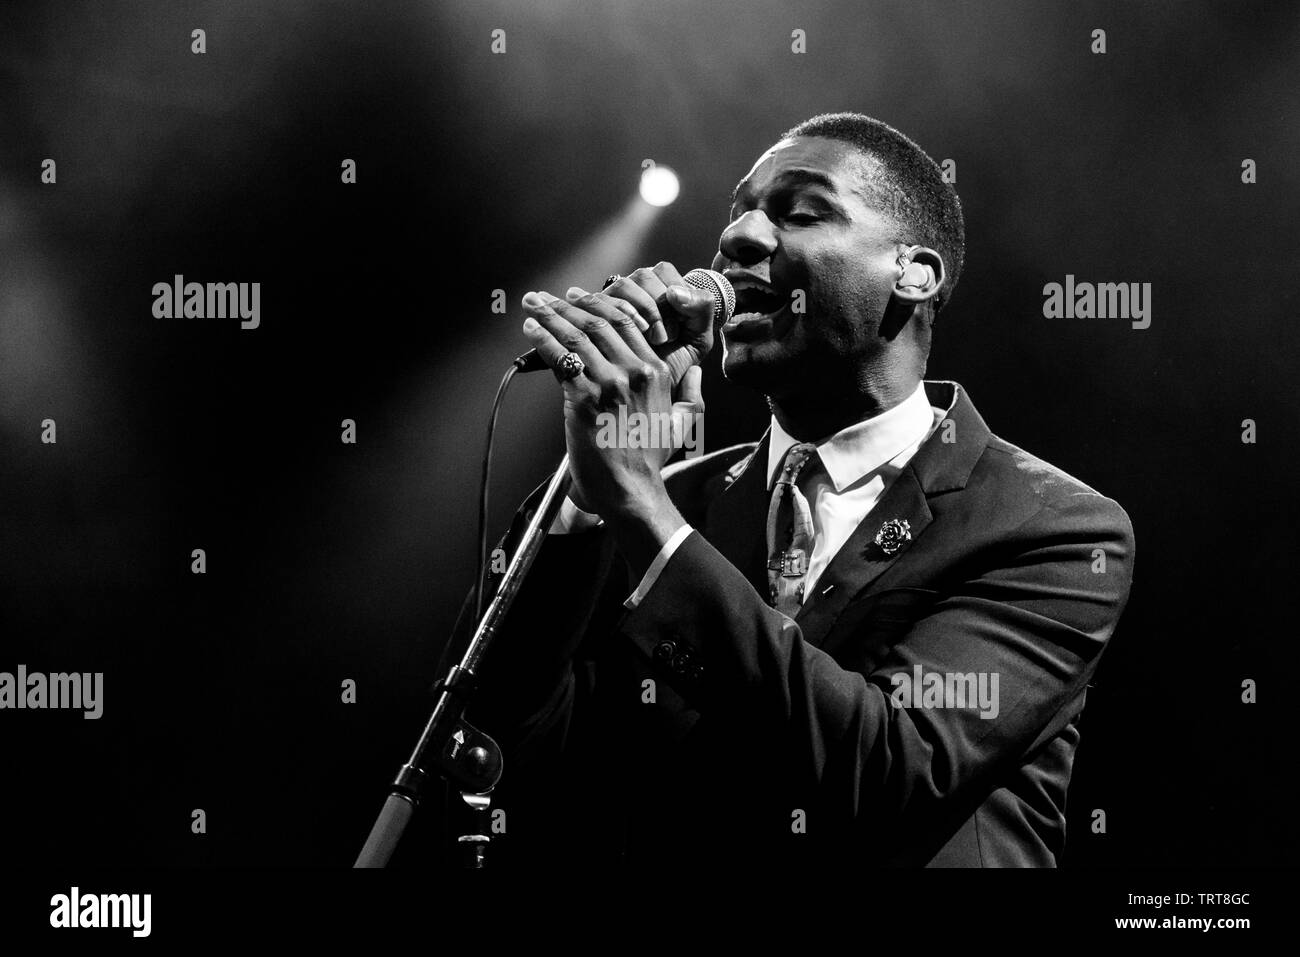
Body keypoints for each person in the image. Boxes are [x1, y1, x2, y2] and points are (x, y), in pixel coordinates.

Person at [443, 112, 1134, 868]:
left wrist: (640, 503)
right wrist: (585, 494)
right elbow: (505, 735)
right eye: (736, 212)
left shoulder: (1053, 525)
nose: (738, 237)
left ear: (915, 273)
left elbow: (891, 765)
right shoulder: (676, 502)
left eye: (801, 212)